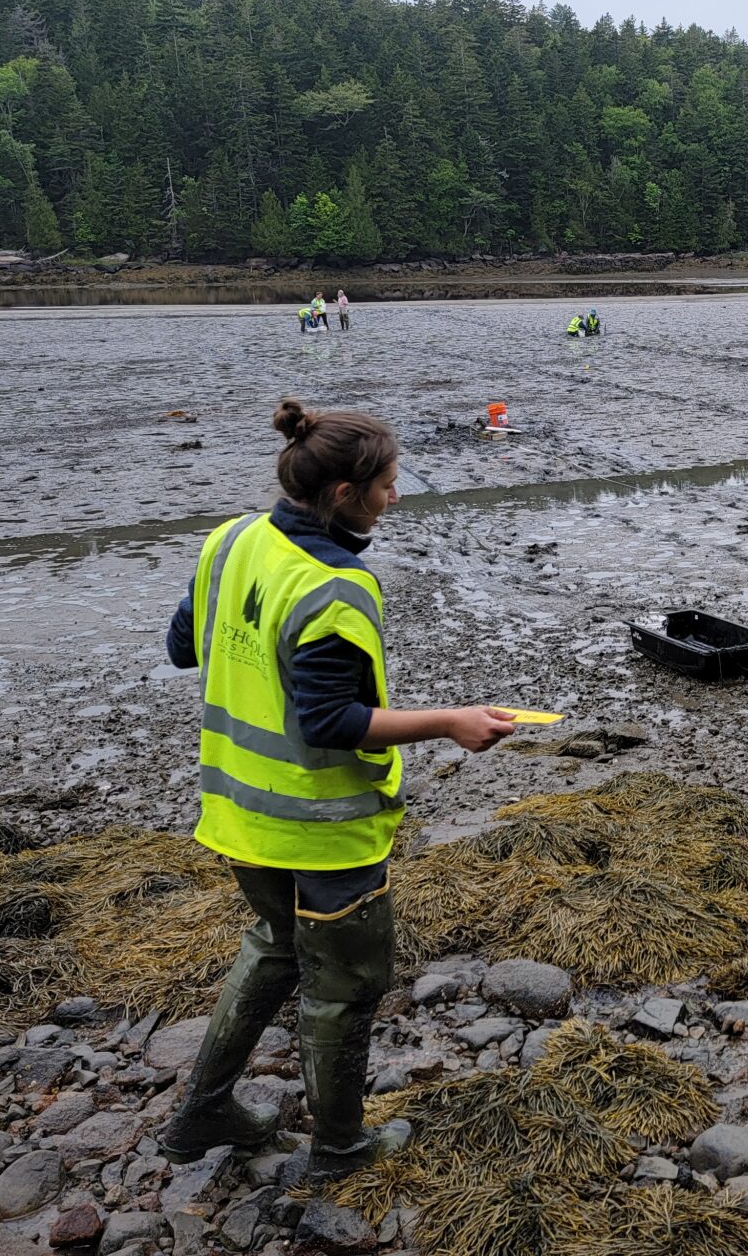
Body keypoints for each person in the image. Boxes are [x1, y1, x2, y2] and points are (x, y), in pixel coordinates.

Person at [158, 400, 518, 1183]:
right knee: (346, 986)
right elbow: (331, 722)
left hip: (236, 815)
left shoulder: (230, 540)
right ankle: (340, 1148)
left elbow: (184, 646)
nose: (396, 497)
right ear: (348, 492)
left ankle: (201, 1113)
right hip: (319, 828)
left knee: (273, 948)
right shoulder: (336, 587)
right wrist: (451, 721)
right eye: (388, 485)